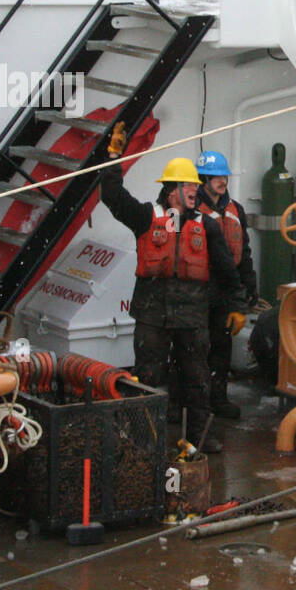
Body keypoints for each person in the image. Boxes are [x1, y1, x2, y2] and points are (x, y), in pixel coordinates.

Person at [100, 124, 245, 453]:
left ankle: (200, 437)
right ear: (171, 189)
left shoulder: (206, 226)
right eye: (188, 184)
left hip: (193, 316)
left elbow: (226, 269)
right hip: (152, 314)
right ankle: (141, 439)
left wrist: (238, 305)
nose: (195, 189)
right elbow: (111, 195)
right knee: (147, 377)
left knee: (197, 379)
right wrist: (113, 157)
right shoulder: (143, 217)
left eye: (195, 183)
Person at [195, 150, 258, 419]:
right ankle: (191, 404)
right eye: (216, 176)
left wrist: (249, 287)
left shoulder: (236, 211)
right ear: (204, 179)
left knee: (221, 348)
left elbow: (243, 252)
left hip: (225, 287)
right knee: (194, 349)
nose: (223, 181)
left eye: (224, 176)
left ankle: (218, 399)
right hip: (198, 289)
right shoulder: (190, 210)